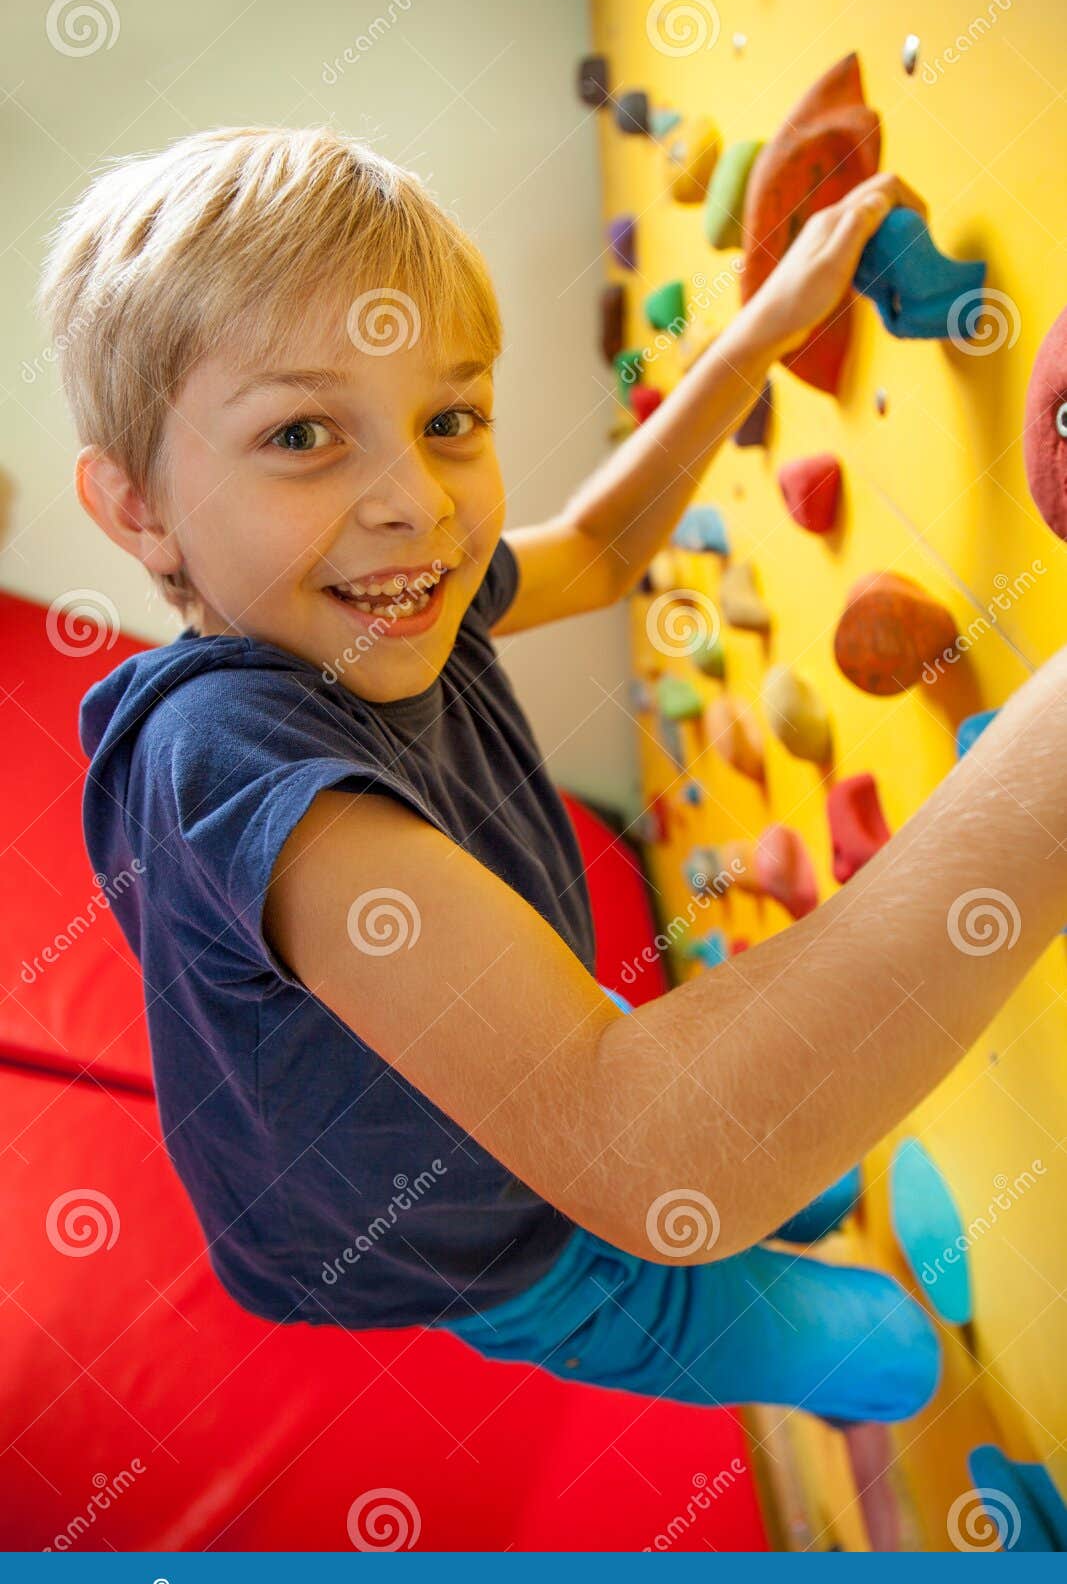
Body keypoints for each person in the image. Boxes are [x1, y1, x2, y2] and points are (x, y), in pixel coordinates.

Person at [37, 125, 1054, 1428]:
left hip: (574, 1112)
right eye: (303, 433)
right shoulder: (217, 754)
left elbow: (598, 544)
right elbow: (644, 1145)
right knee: (894, 1354)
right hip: (495, 1242)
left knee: (790, 1157)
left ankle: (804, 1192)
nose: (417, 500)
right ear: (136, 509)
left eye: (448, 418)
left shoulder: (393, 596)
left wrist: (754, 334)